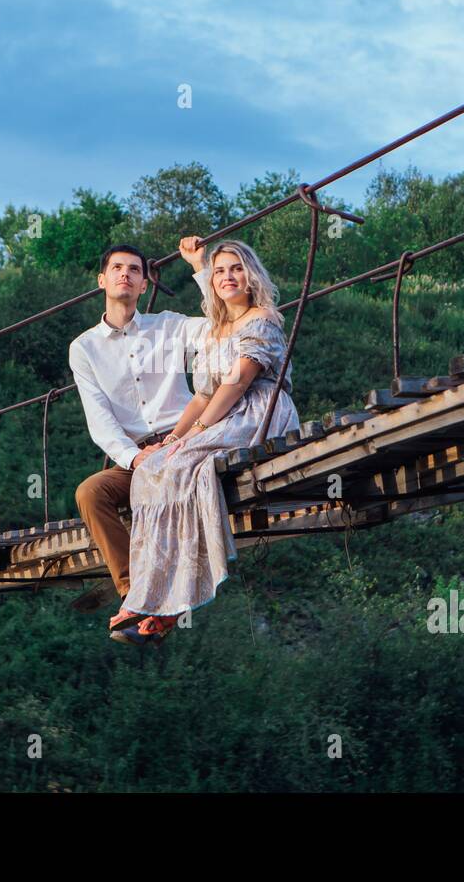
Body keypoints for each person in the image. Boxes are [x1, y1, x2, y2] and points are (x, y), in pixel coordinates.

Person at [109, 237, 300, 645]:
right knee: (153, 469)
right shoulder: (214, 331)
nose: (228, 277)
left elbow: (239, 380)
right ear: (211, 281)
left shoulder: (262, 318)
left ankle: (176, 601)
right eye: (220, 271)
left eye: (236, 269)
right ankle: (149, 594)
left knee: (182, 466)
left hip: (258, 412)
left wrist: (195, 435)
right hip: (221, 412)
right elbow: (202, 395)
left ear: (251, 275)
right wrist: (172, 438)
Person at [69, 240, 213, 617]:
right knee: (90, 492)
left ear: (144, 284)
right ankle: (135, 593)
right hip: (136, 457)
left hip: (182, 441)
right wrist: (134, 459)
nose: (125, 275)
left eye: (135, 270)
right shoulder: (83, 349)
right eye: (117, 268)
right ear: (102, 280)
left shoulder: (168, 326)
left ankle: (169, 595)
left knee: (167, 484)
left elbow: (220, 327)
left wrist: (201, 268)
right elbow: (99, 420)